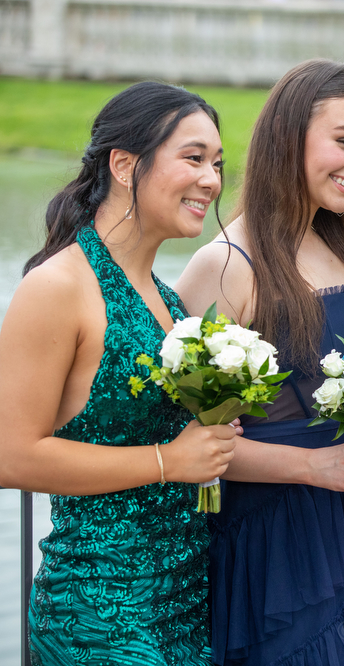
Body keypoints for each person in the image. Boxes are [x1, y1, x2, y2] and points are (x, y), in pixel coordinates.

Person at [176, 60, 344, 666]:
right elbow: (193, 445)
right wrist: (319, 467)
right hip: (275, 551)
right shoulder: (226, 265)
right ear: (287, 139)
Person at [0, 81, 238, 664]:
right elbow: (10, 456)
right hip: (101, 611)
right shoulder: (57, 287)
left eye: (216, 163)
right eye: (193, 158)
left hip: (186, 596)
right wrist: (168, 462)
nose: (211, 179)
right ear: (125, 165)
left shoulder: (168, 301)